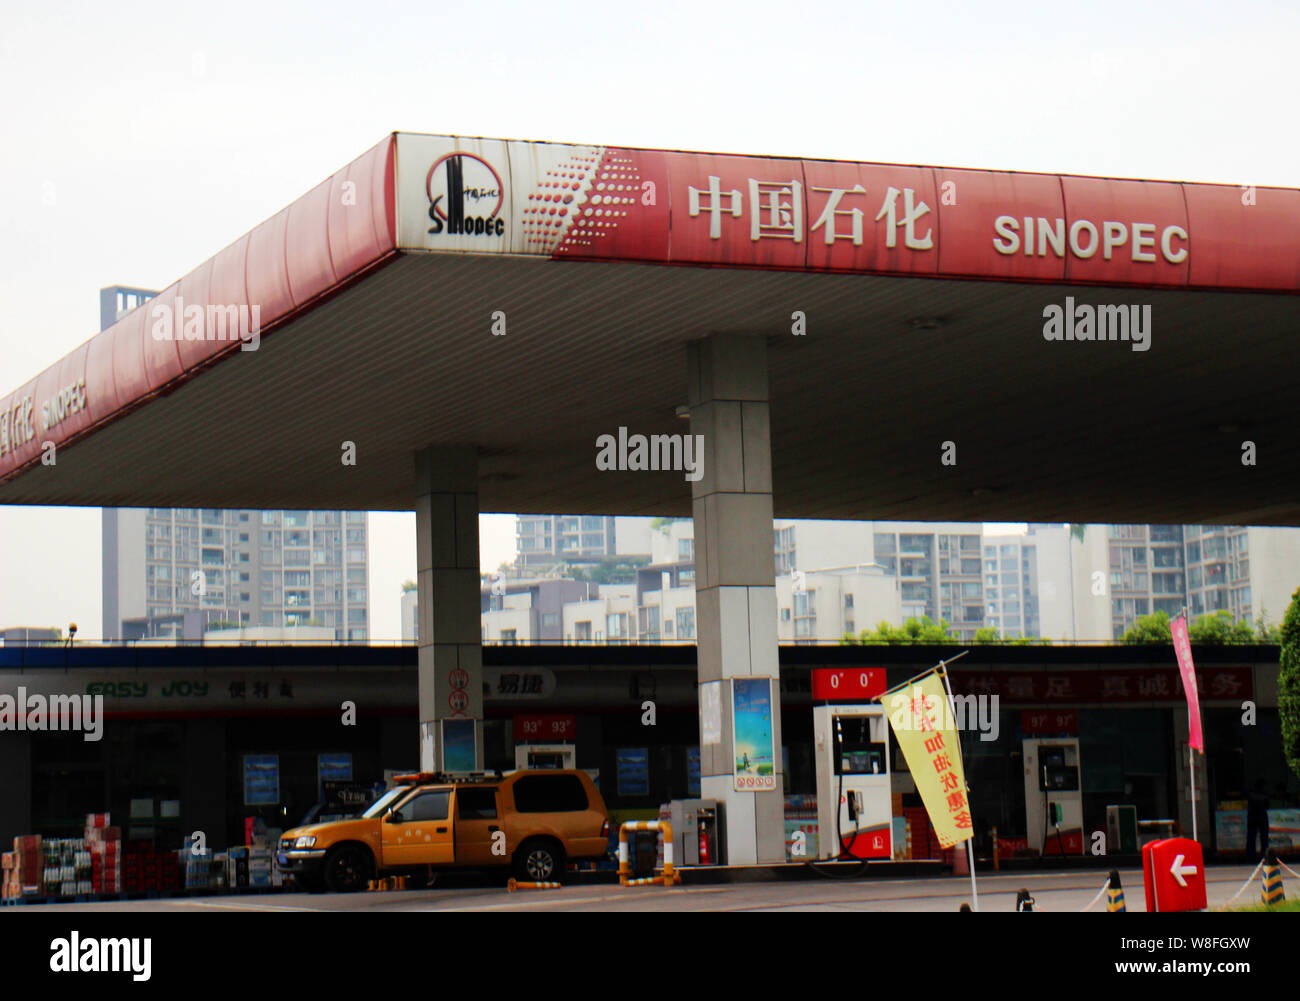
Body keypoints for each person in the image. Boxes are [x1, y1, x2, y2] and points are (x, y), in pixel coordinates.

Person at [1246, 779, 1270, 862]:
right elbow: (1268, 805)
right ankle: (1264, 855)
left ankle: (1250, 856)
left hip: (1252, 816)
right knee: (1264, 837)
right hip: (1262, 816)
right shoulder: (1265, 795)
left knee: (1251, 837)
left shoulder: (1250, 794)